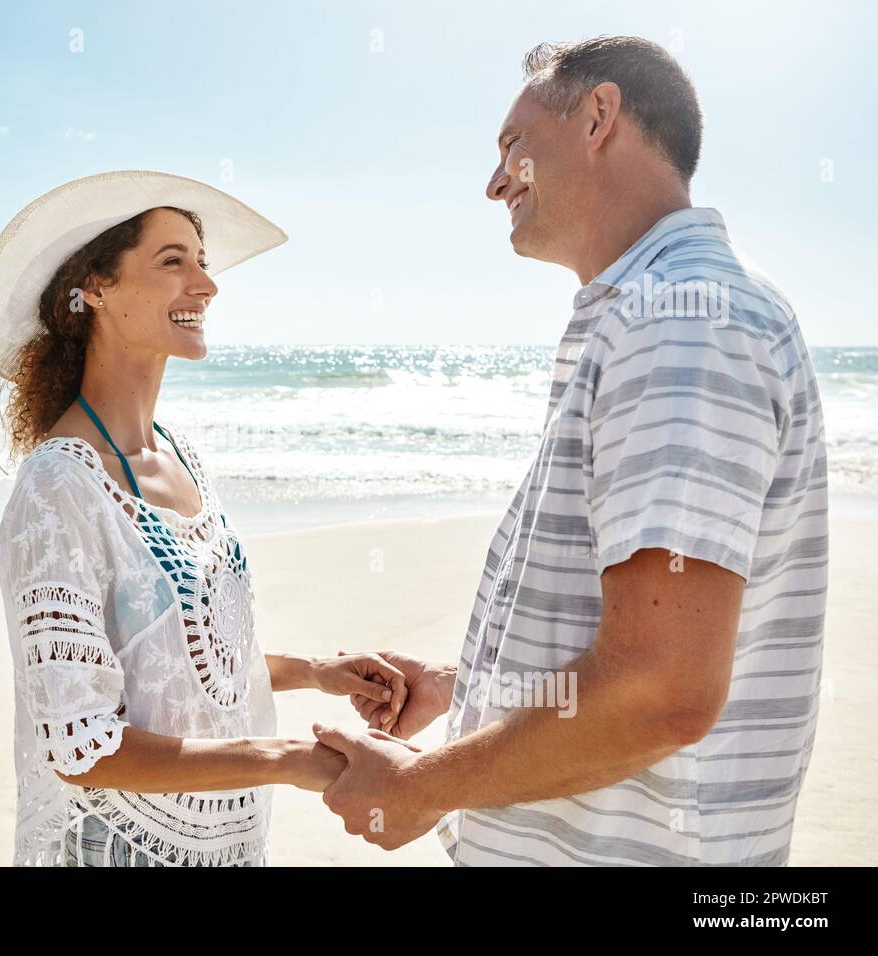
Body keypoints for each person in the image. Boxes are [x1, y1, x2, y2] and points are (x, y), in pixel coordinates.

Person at [325, 36, 829, 866]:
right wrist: (467, 690)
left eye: (513, 147)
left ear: (598, 117)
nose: (494, 184)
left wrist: (421, 787)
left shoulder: (680, 321)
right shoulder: (658, 314)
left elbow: (659, 693)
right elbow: (641, 637)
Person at [0, 170, 408, 866]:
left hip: (226, 846)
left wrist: (318, 671)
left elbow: (176, 669)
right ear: (96, 287)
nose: (207, 286)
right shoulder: (59, 488)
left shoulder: (182, 457)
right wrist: (289, 757)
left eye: (204, 264)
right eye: (173, 261)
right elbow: (80, 744)